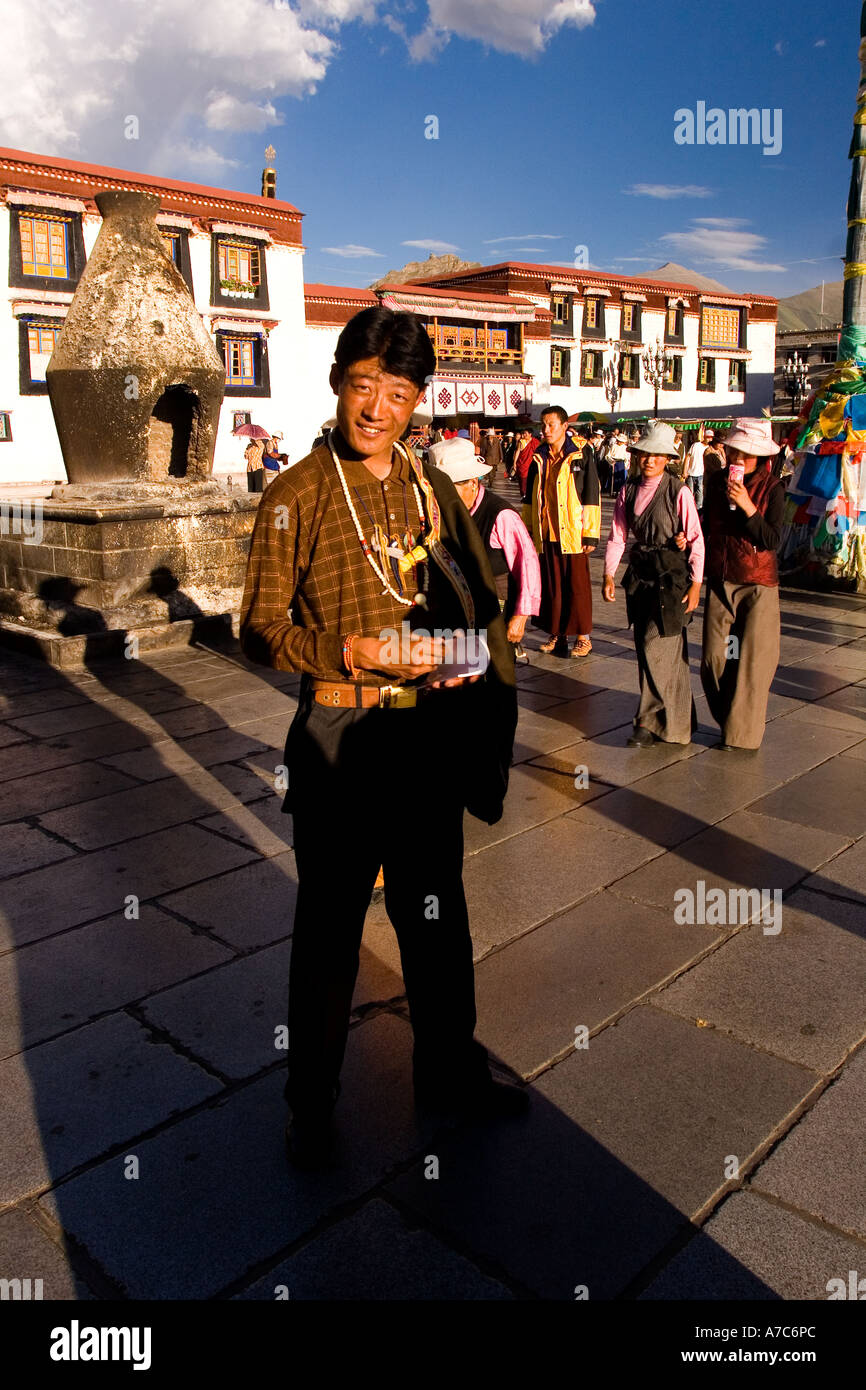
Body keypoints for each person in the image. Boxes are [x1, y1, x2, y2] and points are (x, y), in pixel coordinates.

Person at [240, 305, 524, 1169]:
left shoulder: (426, 487)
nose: (377, 409)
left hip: (425, 741)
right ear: (337, 383)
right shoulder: (296, 495)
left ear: (417, 401)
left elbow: (483, 592)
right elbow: (256, 629)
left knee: (436, 919)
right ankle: (311, 1102)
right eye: (363, 386)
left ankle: (448, 1069)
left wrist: (467, 646)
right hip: (339, 736)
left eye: (397, 393)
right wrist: (348, 650)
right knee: (329, 931)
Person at [602, 421, 703, 746]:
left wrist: (697, 584)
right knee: (649, 652)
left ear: (667, 459)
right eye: (645, 453)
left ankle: (649, 720)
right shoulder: (627, 490)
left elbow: (697, 539)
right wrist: (608, 573)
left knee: (656, 645)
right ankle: (668, 721)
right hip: (642, 575)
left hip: (671, 577)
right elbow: (618, 535)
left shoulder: (678, 491)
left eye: (657, 455)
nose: (649, 460)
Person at [700, 418, 784, 752]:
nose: (737, 460)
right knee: (717, 657)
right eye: (734, 452)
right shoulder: (716, 480)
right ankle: (730, 719)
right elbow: (707, 522)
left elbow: (772, 539)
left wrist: (748, 506)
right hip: (721, 579)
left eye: (746, 455)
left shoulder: (773, 487)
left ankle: (740, 737)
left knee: (750, 662)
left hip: (757, 584)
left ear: (761, 458)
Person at [430, 436, 541, 662]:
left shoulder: (501, 514)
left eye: (449, 489)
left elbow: (527, 564)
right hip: (456, 609)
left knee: (494, 671)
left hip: (495, 607)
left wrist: (520, 617)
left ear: (472, 482)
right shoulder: (441, 513)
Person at [530, 405, 600, 658]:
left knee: (577, 586)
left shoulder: (580, 454)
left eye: (551, 425)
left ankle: (583, 638)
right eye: (543, 425)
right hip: (547, 530)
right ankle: (556, 633)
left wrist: (590, 533)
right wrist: (530, 529)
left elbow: (591, 493)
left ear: (564, 427)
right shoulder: (539, 455)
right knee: (553, 585)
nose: (546, 430)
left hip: (572, 529)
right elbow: (531, 497)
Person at [684, 430, 707, 510]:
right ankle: (689, 508)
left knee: (700, 493)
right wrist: (685, 471)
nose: (709, 439)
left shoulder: (709, 449)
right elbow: (688, 457)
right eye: (708, 437)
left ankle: (698, 510)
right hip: (691, 473)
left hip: (701, 474)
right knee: (689, 493)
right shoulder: (696, 445)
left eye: (711, 437)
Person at [609, 430, 629, 494]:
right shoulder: (614, 446)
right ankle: (614, 491)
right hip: (615, 462)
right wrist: (611, 461)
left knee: (621, 477)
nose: (620, 443)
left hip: (622, 463)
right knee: (614, 477)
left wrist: (626, 465)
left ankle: (620, 491)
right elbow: (608, 455)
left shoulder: (625, 447)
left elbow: (626, 457)